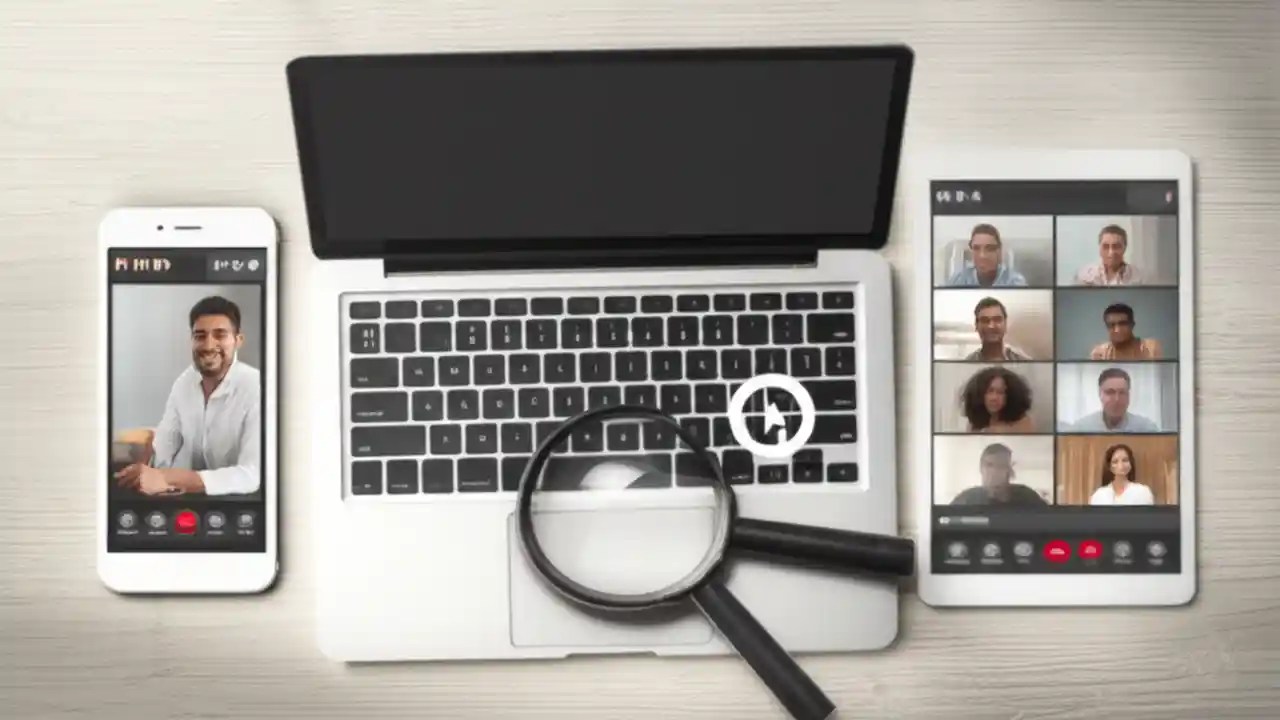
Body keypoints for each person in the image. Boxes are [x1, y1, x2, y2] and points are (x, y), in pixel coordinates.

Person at [115, 296, 261, 496]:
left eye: (220, 335)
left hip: (243, 508)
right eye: (200, 336)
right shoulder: (184, 383)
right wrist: (145, 466)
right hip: (189, 502)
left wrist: (167, 477)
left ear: (238, 341)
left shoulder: (257, 387)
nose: (209, 345)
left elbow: (251, 475)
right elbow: (163, 448)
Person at [950, 443, 1047, 506]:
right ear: (981, 468)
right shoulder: (967, 499)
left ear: (1009, 470)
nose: (994, 472)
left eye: (1001, 466)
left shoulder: (1026, 496)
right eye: (989, 465)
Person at [1067, 368, 1159, 432]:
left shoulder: (1146, 428)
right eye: (1110, 392)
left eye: (1122, 393)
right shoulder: (1081, 428)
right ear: (1100, 394)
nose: (1117, 399)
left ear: (1129, 395)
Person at [946, 223, 1028, 287]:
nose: (982, 256)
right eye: (977, 248)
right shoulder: (958, 280)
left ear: (999, 251)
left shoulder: (1015, 282)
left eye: (990, 249)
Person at [959, 366, 1035, 433]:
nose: (994, 398)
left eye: (1000, 392)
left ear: (1010, 395)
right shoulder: (975, 422)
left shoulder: (1022, 423)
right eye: (989, 391)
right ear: (979, 394)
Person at [965, 297, 1031, 361]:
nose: (991, 326)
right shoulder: (967, 364)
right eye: (985, 320)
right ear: (976, 325)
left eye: (997, 319)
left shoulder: (1024, 362)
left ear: (1005, 324)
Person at [1090, 303, 1162, 360]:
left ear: (1132, 325)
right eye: (1112, 325)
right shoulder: (1099, 353)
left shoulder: (1150, 348)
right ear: (1107, 327)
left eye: (1122, 324)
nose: (1117, 330)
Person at [1076, 224, 1142, 285]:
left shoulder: (1138, 277)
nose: (1111, 253)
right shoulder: (1085, 276)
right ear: (1100, 249)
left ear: (1124, 248)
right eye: (1106, 246)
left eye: (1116, 246)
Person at [1089, 444, 1155, 505]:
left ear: (1131, 464)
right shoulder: (1099, 495)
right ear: (1109, 466)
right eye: (1115, 462)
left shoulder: (1142, 492)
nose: (1121, 465)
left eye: (1125, 460)